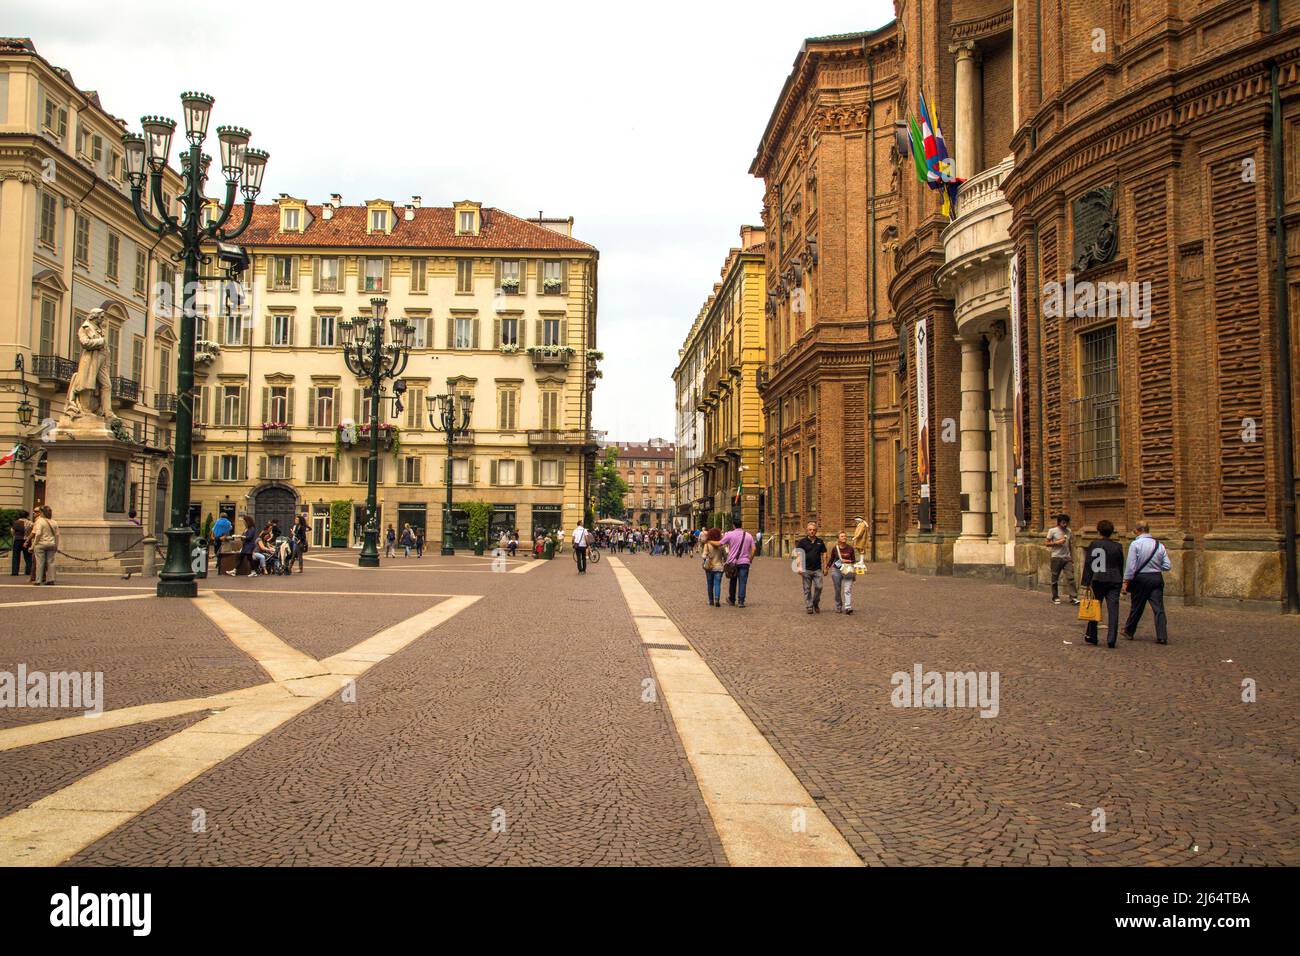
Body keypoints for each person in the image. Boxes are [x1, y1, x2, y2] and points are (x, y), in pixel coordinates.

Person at [1122, 521, 1171, 644]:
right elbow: (1167, 565)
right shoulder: (1159, 545)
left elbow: (1131, 565)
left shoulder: (1135, 544)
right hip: (1156, 578)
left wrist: (1126, 580)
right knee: (1158, 608)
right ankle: (1162, 635)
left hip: (1141, 579)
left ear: (1137, 531)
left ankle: (1129, 631)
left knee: (1137, 606)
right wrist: (1156, 568)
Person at [1080, 518, 1123, 647]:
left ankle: (1093, 635)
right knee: (1113, 610)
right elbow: (1120, 564)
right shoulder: (1118, 546)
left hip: (1098, 578)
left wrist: (1086, 582)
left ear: (1099, 531)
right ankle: (1111, 639)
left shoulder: (1094, 544)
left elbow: (1088, 563)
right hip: (1114, 579)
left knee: (1095, 607)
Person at [719, 519, 755, 608]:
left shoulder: (730, 534)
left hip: (733, 562)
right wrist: (750, 559)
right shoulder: (748, 535)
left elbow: (720, 543)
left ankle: (732, 599)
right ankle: (741, 601)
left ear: (733, 525)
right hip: (745, 562)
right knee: (743, 582)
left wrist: (709, 541)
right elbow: (754, 549)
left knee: (733, 581)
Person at [795, 522, 828, 614]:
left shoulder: (820, 542)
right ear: (807, 531)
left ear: (816, 531)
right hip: (806, 569)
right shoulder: (802, 542)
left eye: (813, 530)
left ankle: (815, 602)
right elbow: (798, 555)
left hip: (817, 569)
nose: (812, 531)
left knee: (819, 587)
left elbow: (824, 554)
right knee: (807, 589)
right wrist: (799, 567)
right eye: (810, 530)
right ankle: (809, 606)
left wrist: (825, 567)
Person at [1046, 513, 1079, 605]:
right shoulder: (1052, 531)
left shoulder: (1068, 531)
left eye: (1066, 523)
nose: (1065, 525)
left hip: (1066, 558)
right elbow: (1047, 543)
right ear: (1059, 522)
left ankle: (1073, 597)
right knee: (1055, 578)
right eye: (1063, 523)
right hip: (1056, 557)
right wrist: (1057, 542)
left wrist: (1071, 557)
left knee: (1071, 577)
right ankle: (1055, 596)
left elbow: (1069, 544)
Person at [29, 505, 59, 585]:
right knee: (51, 562)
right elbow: (57, 535)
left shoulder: (39, 521)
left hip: (41, 544)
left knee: (40, 563)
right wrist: (56, 545)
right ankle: (51, 580)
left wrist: (33, 545)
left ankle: (38, 580)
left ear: (42, 512)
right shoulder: (54, 522)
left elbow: (38, 534)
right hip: (51, 544)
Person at [829, 530, 857, 614]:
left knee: (847, 589)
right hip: (837, 570)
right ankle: (838, 606)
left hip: (848, 570)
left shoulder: (850, 548)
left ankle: (848, 607)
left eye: (845, 536)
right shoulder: (835, 548)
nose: (844, 537)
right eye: (842, 536)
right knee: (837, 589)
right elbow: (831, 559)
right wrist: (827, 567)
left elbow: (853, 560)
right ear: (838, 538)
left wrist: (847, 561)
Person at [9, 510, 32, 577]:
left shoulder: (15, 523)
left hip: (17, 540)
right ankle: (28, 571)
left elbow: (12, 531)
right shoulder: (30, 523)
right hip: (27, 540)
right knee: (28, 556)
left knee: (16, 556)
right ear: (26, 515)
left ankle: (15, 572)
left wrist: (15, 536)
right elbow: (32, 532)